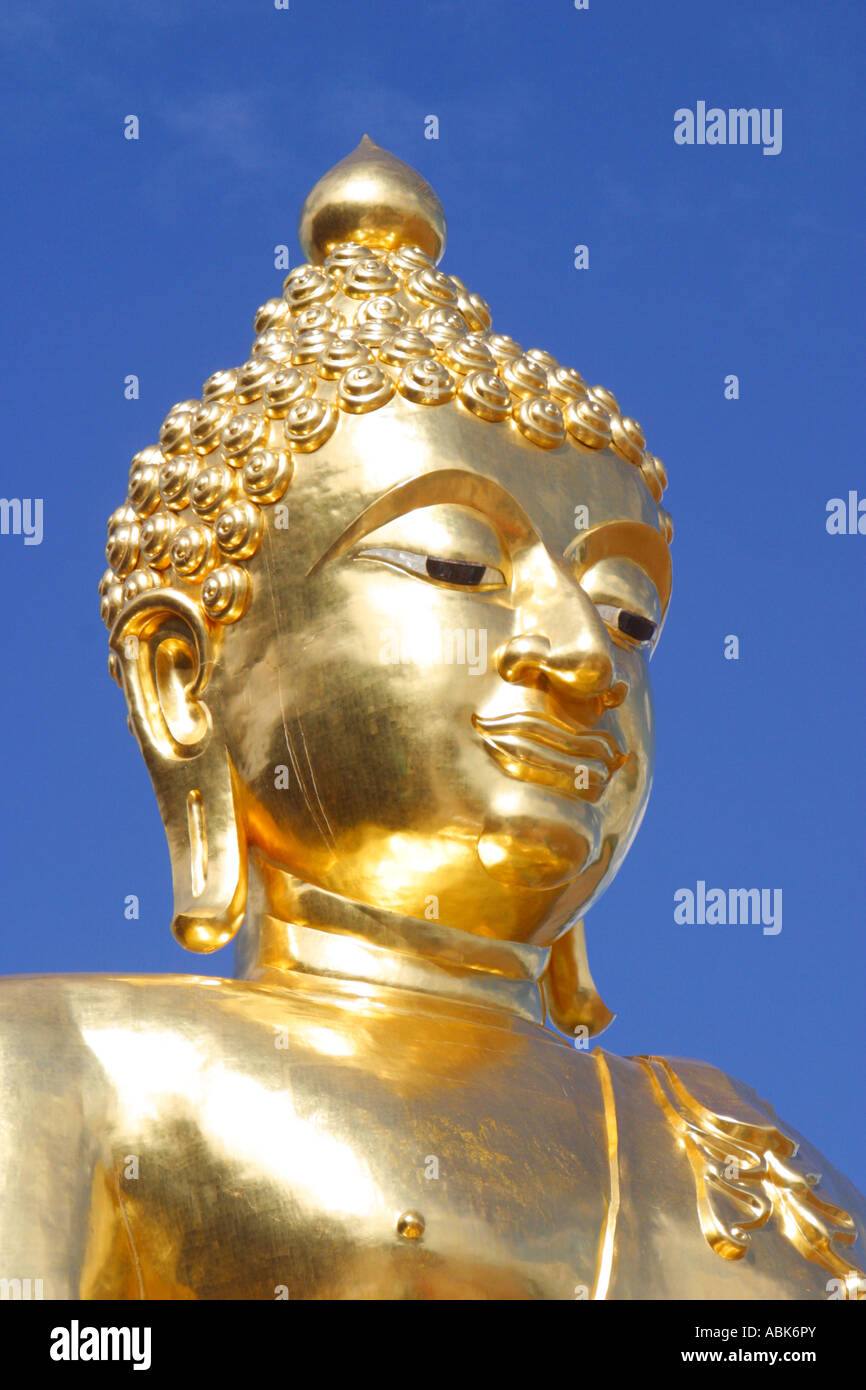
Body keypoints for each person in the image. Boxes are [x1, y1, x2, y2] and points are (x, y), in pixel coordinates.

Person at [0, 137, 862, 1300]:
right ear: (181, 678)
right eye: (455, 564)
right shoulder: (70, 1067)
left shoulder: (721, 1142)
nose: (579, 657)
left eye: (628, 613)